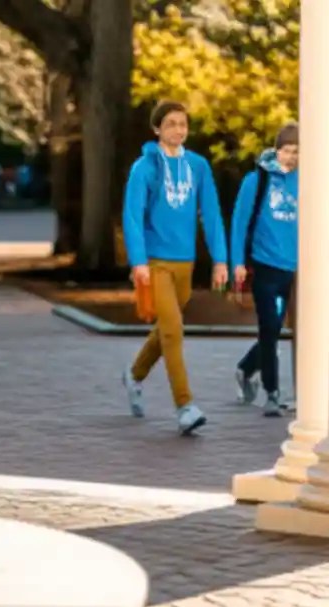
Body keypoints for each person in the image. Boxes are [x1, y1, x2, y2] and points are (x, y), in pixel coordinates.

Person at [120, 101, 228, 435]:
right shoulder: (144, 167)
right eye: (170, 124)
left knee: (167, 329)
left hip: (186, 263)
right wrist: (138, 262)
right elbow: (133, 216)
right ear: (157, 129)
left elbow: (210, 214)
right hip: (155, 262)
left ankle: (134, 374)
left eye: (182, 124)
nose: (178, 130)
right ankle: (185, 406)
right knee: (173, 330)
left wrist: (220, 259)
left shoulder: (198, 166)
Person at [230, 123, 299, 417]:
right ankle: (272, 393)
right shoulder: (257, 181)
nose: (292, 157)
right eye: (287, 150)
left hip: (296, 270)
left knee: (277, 329)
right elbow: (239, 223)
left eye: (297, 152)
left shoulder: (307, 180)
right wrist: (237, 264)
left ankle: (246, 368)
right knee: (269, 327)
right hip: (265, 265)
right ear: (276, 149)